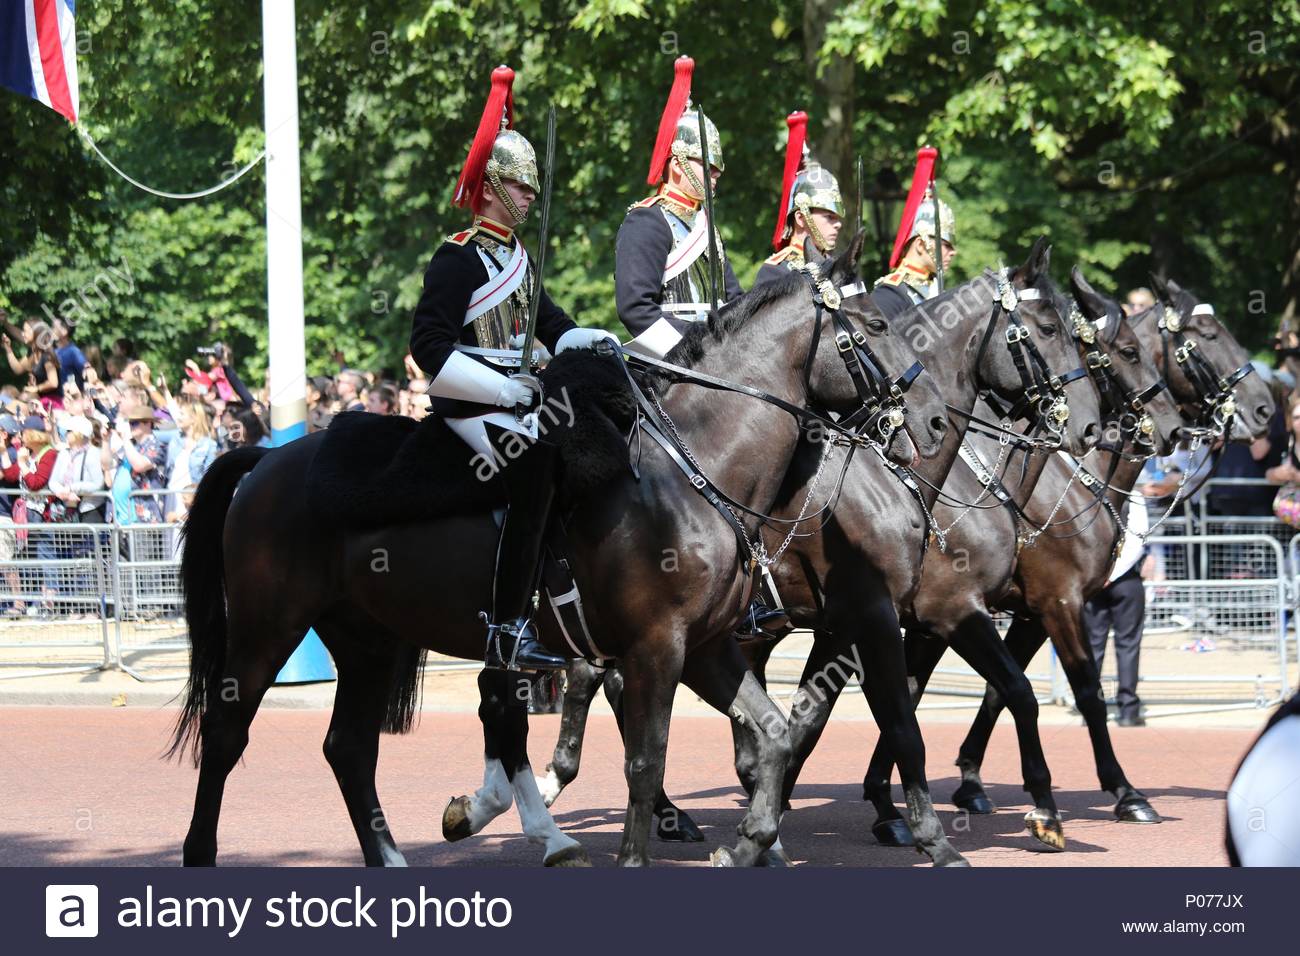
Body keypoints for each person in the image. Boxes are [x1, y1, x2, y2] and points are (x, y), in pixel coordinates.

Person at [409, 65, 614, 671]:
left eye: (531, 189)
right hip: (471, 407)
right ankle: (504, 625)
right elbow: (429, 347)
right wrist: (504, 387)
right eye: (521, 189)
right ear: (492, 188)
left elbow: (554, 327)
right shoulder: (457, 258)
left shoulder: (521, 259)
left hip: (519, 400)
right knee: (535, 468)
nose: (531, 199)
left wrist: (605, 340)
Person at [615, 55, 743, 357]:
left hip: (718, 360)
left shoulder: (706, 226)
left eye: (718, 166)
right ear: (678, 164)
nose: (717, 173)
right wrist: (701, 349)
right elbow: (636, 309)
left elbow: (734, 299)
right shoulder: (647, 221)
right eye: (707, 165)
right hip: (671, 361)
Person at [754, 111, 845, 287]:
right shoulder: (776, 272)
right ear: (801, 218)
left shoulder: (837, 270)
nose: (838, 224)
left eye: (837, 218)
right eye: (829, 217)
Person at [1082, 493, 1150, 727]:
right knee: (1127, 644)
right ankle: (1128, 708)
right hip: (1125, 580)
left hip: (1095, 579)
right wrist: (1116, 572)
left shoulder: (1086, 491)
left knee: (1093, 644)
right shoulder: (1134, 496)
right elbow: (1138, 540)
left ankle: (1091, 707)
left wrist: (1101, 574)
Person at [871, 147, 955, 320]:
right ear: (920, 244)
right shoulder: (890, 294)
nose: (952, 251)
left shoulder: (935, 290)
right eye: (944, 244)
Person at [2, 416, 61, 615]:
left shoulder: (49, 454)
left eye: (24, 432)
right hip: (27, 514)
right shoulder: (29, 454)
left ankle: (50, 601)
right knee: (34, 557)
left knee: (46, 556)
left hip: (43, 514)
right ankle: (39, 600)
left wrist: (23, 463)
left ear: (34, 434)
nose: (20, 436)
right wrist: (4, 452)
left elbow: (36, 483)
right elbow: (10, 475)